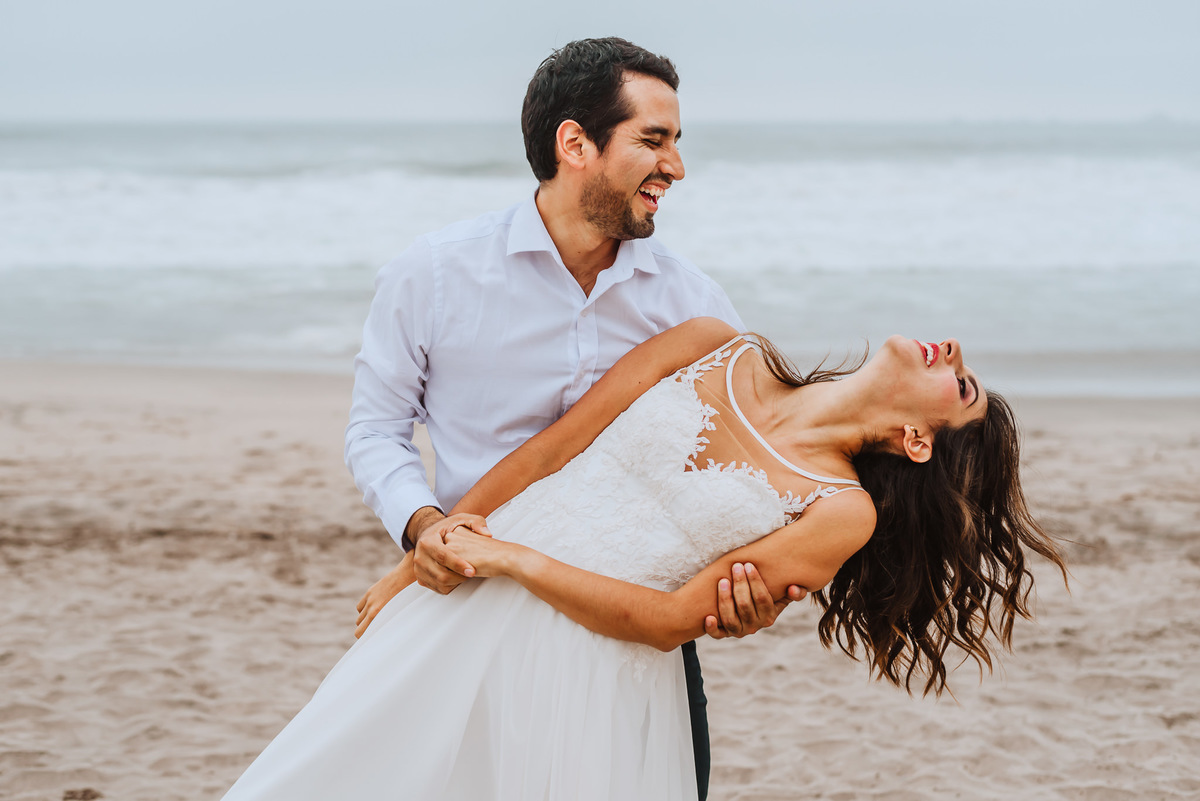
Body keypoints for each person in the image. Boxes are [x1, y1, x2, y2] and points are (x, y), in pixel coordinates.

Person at [222, 319, 1067, 800]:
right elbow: (552, 451)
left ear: (916, 440)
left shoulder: (838, 508)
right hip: (463, 598)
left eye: (961, 384)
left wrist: (515, 560)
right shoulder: (711, 343)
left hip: (591, 673)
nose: (952, 347)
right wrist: (426, 554)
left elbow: (669, 621)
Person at [343, 37, 798, 798]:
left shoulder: (695, 307)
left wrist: (741, 591)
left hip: (631, 632)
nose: (676, 167)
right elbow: (375, 428)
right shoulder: (434, 274)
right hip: (469, 599)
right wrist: (425, 526)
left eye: (678, 141)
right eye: (654, 140)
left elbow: (744, 462)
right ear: (575, 143)